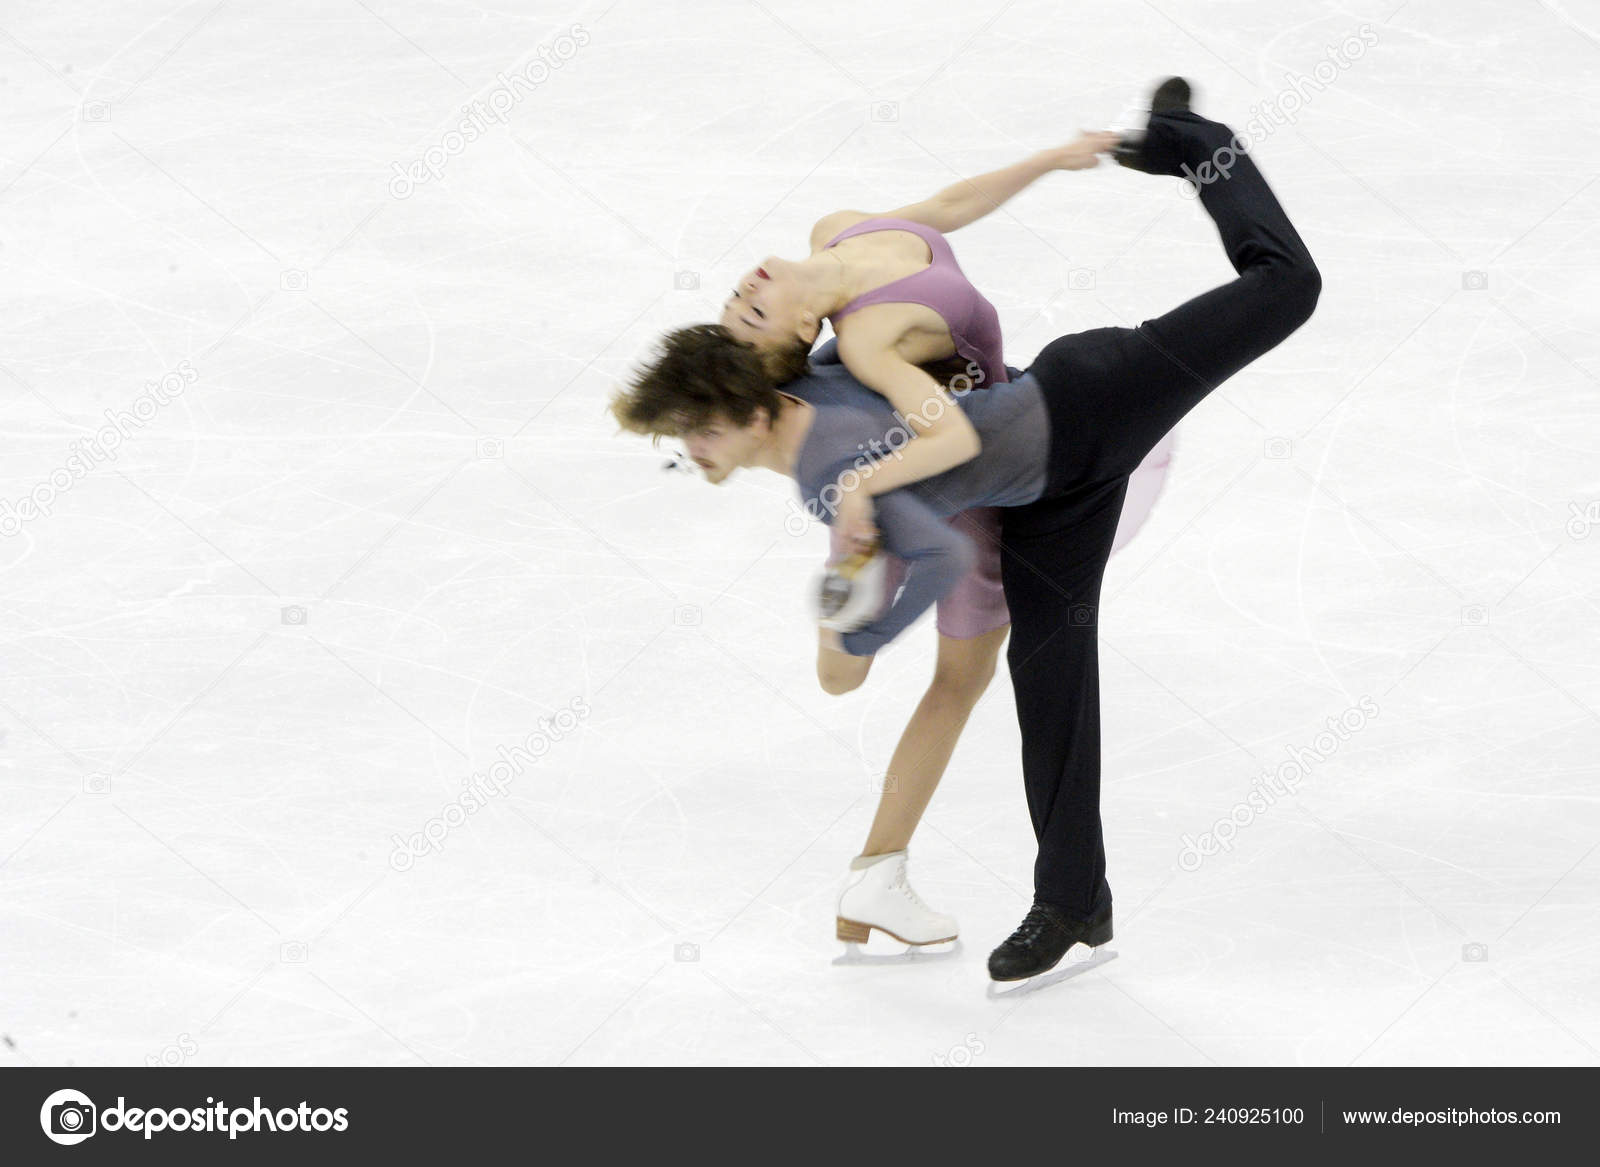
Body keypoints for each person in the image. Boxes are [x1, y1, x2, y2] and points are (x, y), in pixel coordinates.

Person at [613, 78, 1320, 980]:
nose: (691, 452)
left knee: (1288, 286)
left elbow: (922, 560)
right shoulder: (824, 378)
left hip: (1091, 399)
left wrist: (852, 603)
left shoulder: (841, 378)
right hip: (1049, 495)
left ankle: (1198, 140)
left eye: (695, 433)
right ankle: (1073, 902)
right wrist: (848, 580)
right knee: (1048, 673)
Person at [631, 132, 1173, 947]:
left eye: (741, 305)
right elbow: (942, 436)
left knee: (922, 675)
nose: (743, 290)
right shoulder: (864, 341)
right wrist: (859, 503)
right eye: (749, 313)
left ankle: (877, 873)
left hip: (943, 455)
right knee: (950, 679)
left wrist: (1048, 159)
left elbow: (948, 209)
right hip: (961, 482)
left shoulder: (843, 237)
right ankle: (881, 868)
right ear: (809, 332)